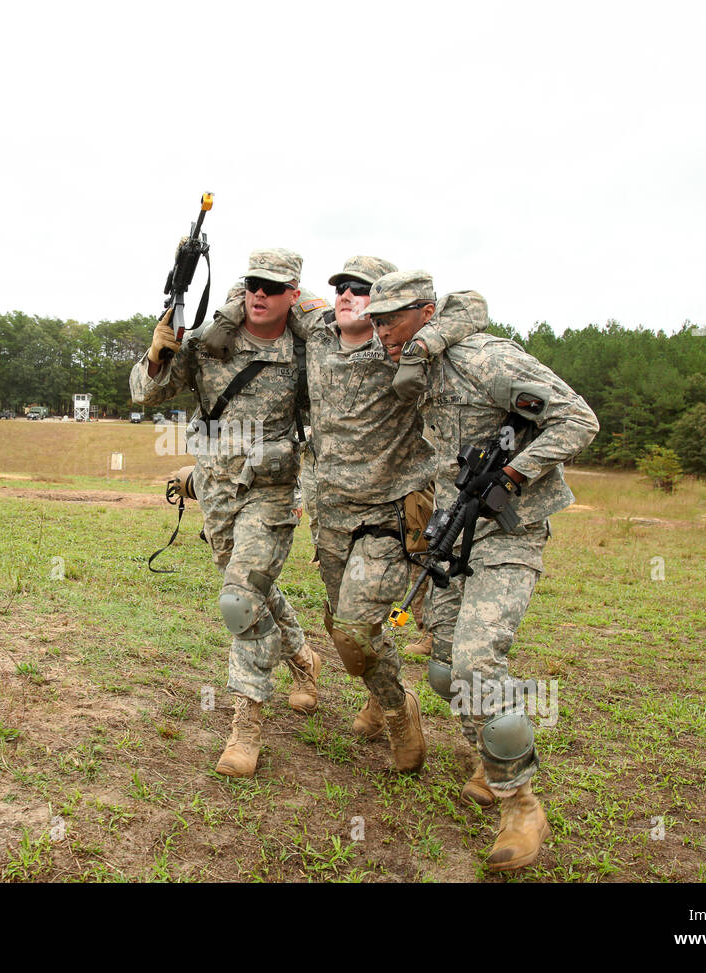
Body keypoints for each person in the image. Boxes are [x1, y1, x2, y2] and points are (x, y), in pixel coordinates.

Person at [202, 258, 490, 772]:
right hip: (331, 513)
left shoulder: (400, 344)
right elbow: (258, 296)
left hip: (390, 512)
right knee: (345, 634)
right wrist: (224, 316)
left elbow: (470, 305)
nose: (347, 296)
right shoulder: (316, 330)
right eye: (341, 287)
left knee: (356, 630)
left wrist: (424, 344)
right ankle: (379, 693)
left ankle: (400, 710)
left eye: (362, 290)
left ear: (384, 305)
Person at [368, 269, 599, 869]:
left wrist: (516, 473)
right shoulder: (413, 367)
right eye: (375, 319)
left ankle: (519, 802)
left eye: (390, 319)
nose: (380, 332)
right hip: (455, 530)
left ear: (424, 312)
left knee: (476, 661)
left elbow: (577, 420)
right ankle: (488, 752)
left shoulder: (487, 360)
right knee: (446, 670)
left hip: (509, 531)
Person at [130, 248, 325, 778]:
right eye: (253, 284)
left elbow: (332, 421)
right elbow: (147, 395)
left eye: (274, 286)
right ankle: (303, 658)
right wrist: (156, 355)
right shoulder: (210, 341)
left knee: (239, 600)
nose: (260, 294)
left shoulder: (308, 354)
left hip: (272, 490)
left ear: (292, 293)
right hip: (217, 489)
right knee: (250, 590)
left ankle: (245, 727)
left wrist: (317, 493)